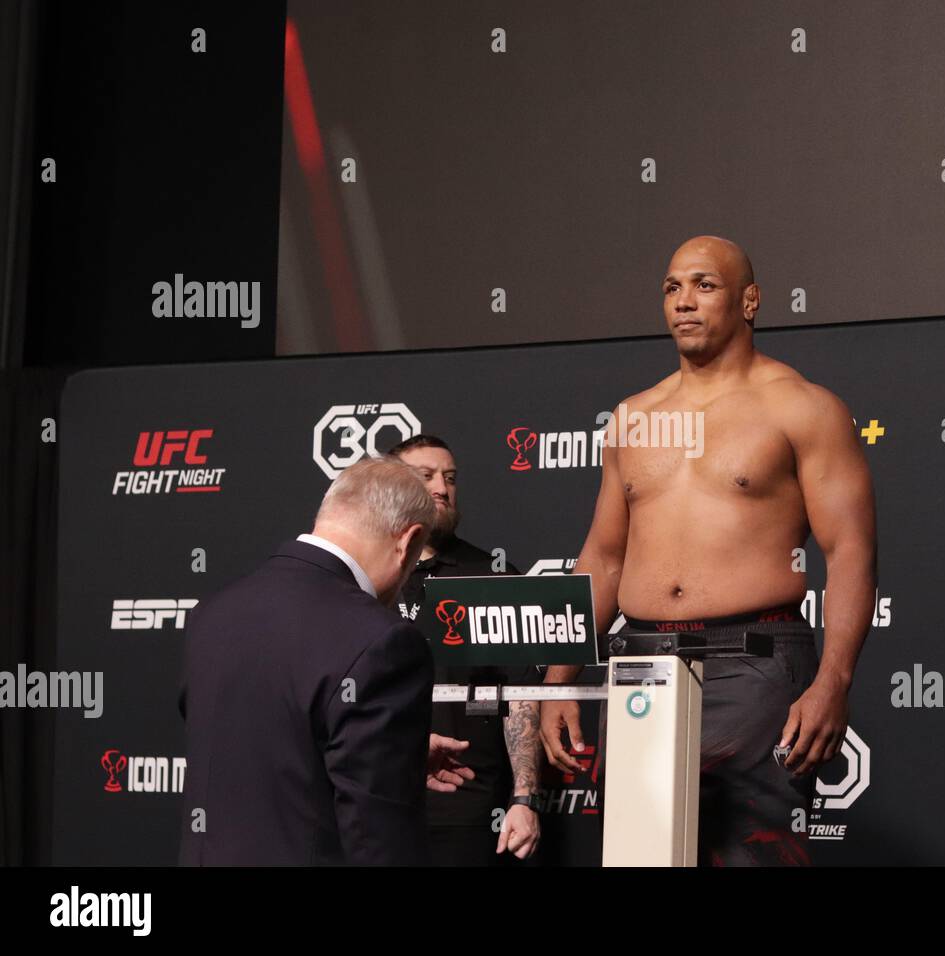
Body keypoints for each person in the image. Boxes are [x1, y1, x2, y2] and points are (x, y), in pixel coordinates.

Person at [540, 236, 877, 866]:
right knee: (642, 857)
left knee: (747, 858)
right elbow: (605, 556)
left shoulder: (802, 408)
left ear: (749, 300)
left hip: (751, 663)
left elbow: (850, 550)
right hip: (641, 662)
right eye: (672, 288)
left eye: (704, 285)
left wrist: (833, 681)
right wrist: (559, 680)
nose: (684, 302)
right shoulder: (633, 417)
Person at [178, 455, 474, 865]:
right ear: (408, 542)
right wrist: (388, 769)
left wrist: (394, 755)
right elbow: (378, 843)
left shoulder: (213, 613)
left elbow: (261, 749)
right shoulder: (385, 640)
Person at [390, 434, 542, 865]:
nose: (441, 487)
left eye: (450, 477)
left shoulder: (490, 578)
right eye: (425, 476)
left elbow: (522, 697)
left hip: (467, 808)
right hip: (373, 800)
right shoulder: (366, 578)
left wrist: (525, 800)